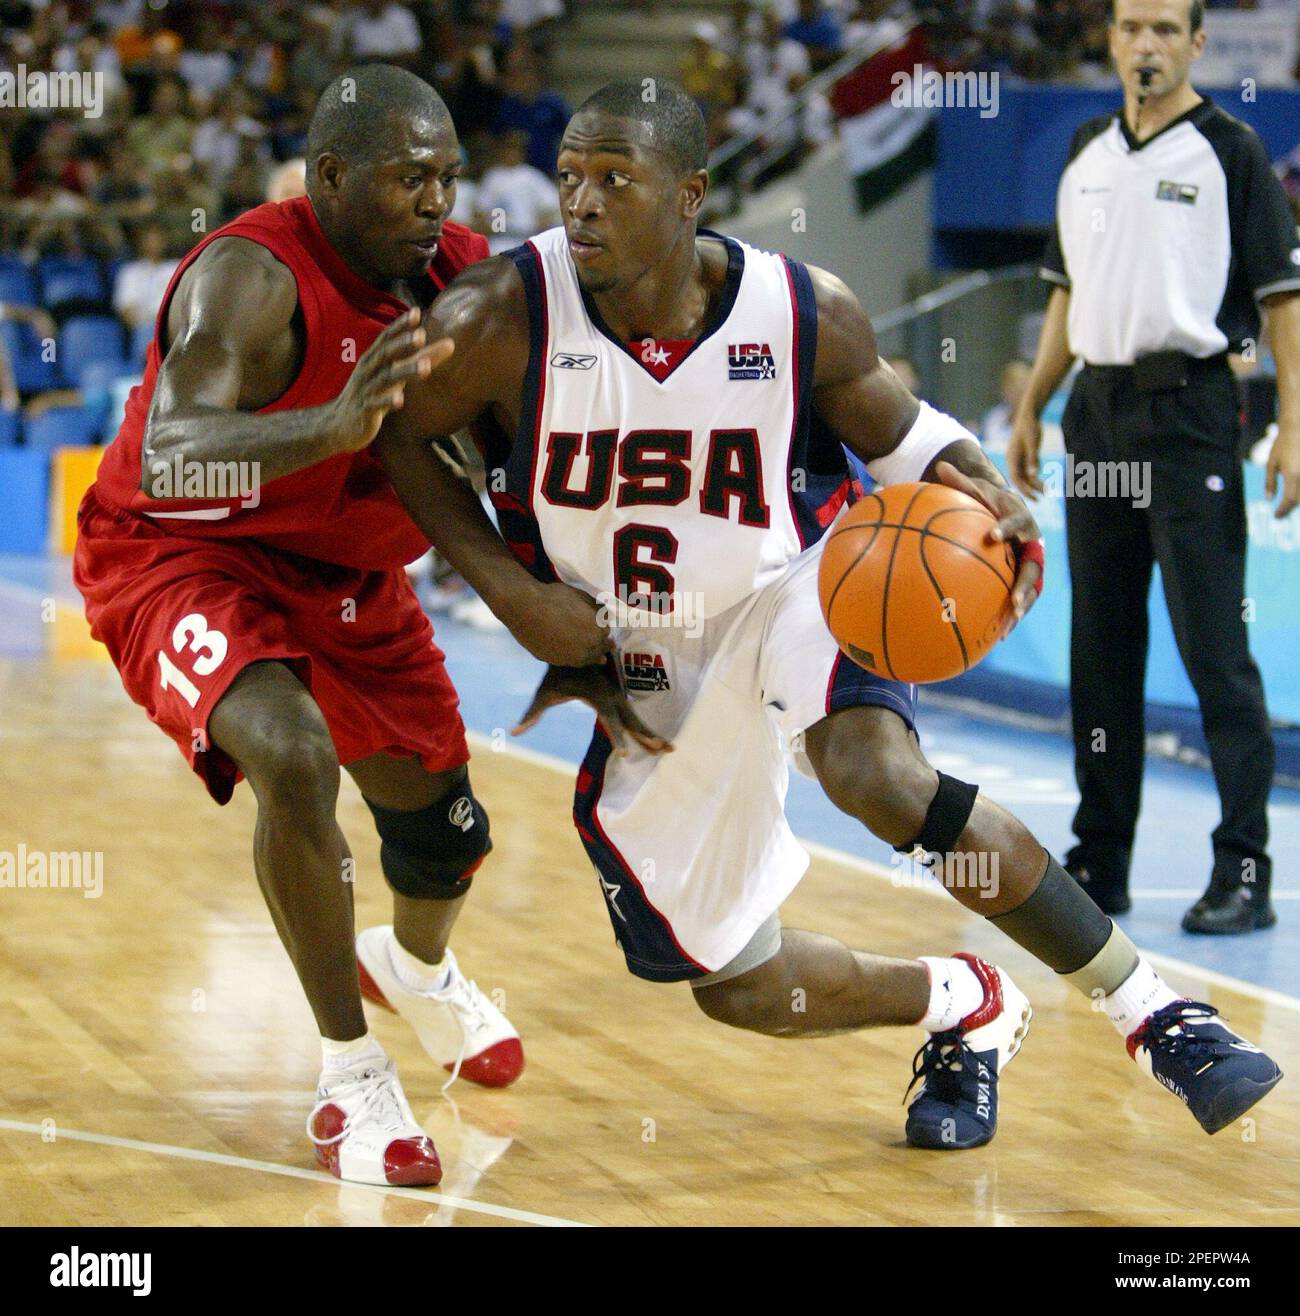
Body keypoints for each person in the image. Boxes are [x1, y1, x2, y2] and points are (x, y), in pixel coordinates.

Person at [376, 79, 1282, 1149]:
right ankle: (962, 1000)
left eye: (615, 180)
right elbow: (399, 438)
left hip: (796, 583)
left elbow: (911, 438)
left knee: (873, 772)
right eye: (570, 176)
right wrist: (511, 591)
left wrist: (984, 487)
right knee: (735, 983)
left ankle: (1158, 1014)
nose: (580, 203)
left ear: (689, 196)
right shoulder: (500, 312)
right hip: (642, 658)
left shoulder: (798, 310)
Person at [73, 65, 607, 1188]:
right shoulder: (249, 277)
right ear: (330, 177)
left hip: (351, 575)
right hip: (182, 551)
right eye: (410, 179)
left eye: (447, 180)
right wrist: (333, 422)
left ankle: (412, 967)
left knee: (445, 840)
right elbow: (172, 455)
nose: (434, 202)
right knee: (291, 751)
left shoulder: (466, 283)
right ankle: (349, 1073)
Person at [1008, 0, 1300, 933]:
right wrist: (1030, 406)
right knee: (1100, 656)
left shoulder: (1232, 151)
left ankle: (1244, 868)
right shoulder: (1087, 149)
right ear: (1111, 39)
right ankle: (1102, 862)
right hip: (1094, 411)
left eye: (1167, 30)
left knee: (1215, 652)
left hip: (1193, 412)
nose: (1147, 44)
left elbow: (1283, 302)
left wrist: (1294, 424)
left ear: (1196, 45)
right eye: (1133, 27)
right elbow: (1064, 295)